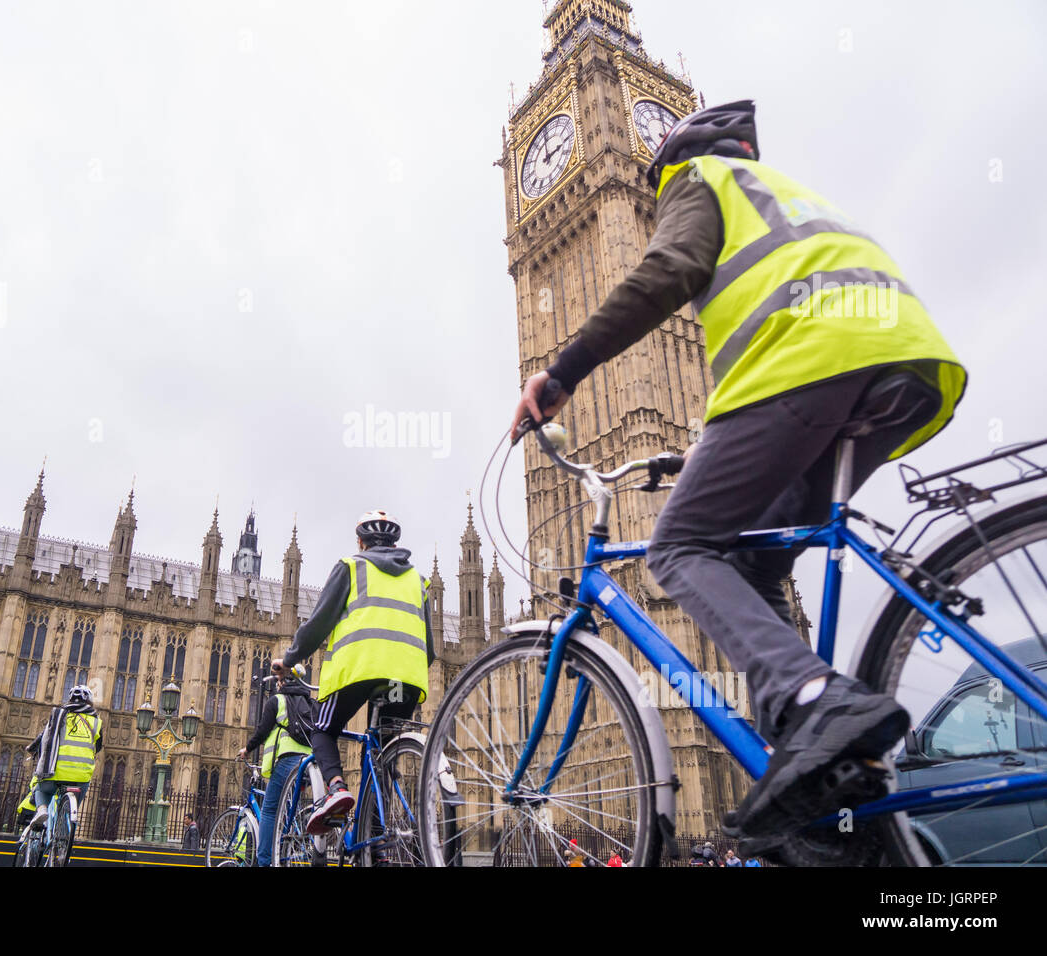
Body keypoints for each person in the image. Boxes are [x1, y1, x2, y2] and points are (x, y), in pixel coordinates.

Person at [511, 99, 966, 844]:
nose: (657, 200)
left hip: (811, 364)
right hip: (896, 361)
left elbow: (668, 269)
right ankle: (816, 800)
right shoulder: (771, 190)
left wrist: (561, 373)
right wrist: (709, 452)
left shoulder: (696, 176)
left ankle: (818, 699)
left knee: (676, 547)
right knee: (753, 559)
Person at [272, 509, 434, 835]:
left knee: (322, 729)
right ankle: (376, 846)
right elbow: (430, 649)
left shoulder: (352, 567)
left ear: (361, 541)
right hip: (406, 680)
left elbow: (317, 625)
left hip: (360, 671)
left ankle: (336, 787)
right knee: (382, 756)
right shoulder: (418, 581)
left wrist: (289, 660)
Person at [238, 666, 313, 866]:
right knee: (291, 809)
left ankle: (264, 861)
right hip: (309, 765)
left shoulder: (277, 701)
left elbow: (262, 731)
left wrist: (247, 748)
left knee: (270, 810)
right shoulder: (310, 702)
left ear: (283, 682)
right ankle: (292, 850)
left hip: (287, 761)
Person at [25, 684, 103, 831]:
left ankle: (42, 810)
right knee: (79, 791)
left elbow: (45, 738)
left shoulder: (59, 715)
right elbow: (98, 747)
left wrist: (31, 748)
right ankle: (63, 833)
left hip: (55, 772)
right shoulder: (96, 721)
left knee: (41, 789)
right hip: (81, 776)